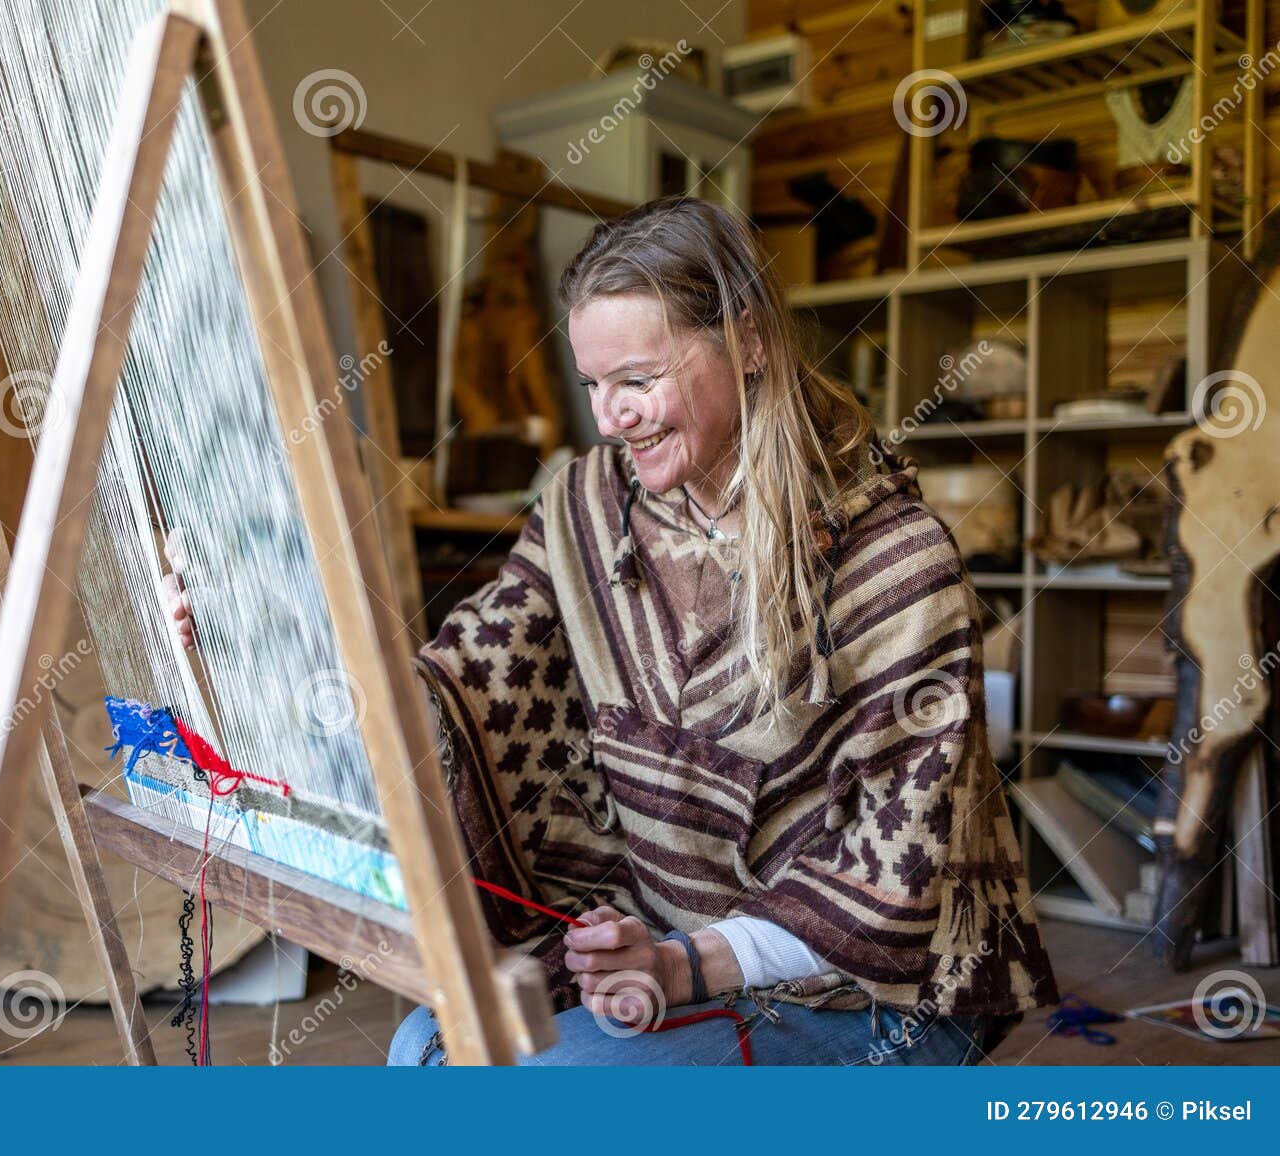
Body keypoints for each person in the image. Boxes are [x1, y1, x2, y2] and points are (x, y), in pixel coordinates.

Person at [166, 196, 1058, 1066]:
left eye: (638, 381)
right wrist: (264, 648)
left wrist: (681, 965)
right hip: (669, 936)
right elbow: (473, 679)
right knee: (427, 1048)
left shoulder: (895, 567)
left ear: (748, 341)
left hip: (871, 991)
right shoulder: (587, 507)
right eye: (594, 384)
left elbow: (889, 891)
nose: (607, 417)